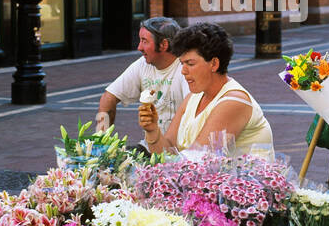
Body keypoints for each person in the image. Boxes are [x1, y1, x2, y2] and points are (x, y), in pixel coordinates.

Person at [140, 22, 276, 158]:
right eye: (182, 63)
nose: (183, 71)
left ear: (214, 63)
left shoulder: (234, 101)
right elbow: (167, 152)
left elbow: (198, 160)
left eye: (190, 63)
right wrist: (152, 130)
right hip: (201, 177)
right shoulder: (193, 97)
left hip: (247, 178)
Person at [95, 18, 189, 139]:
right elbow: (107, 99)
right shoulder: (142, 64)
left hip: (180, 151)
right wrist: (101, 140)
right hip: (150, 146)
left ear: (163, 45)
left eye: (144, 41)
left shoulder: (186, 68)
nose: (139, 47)